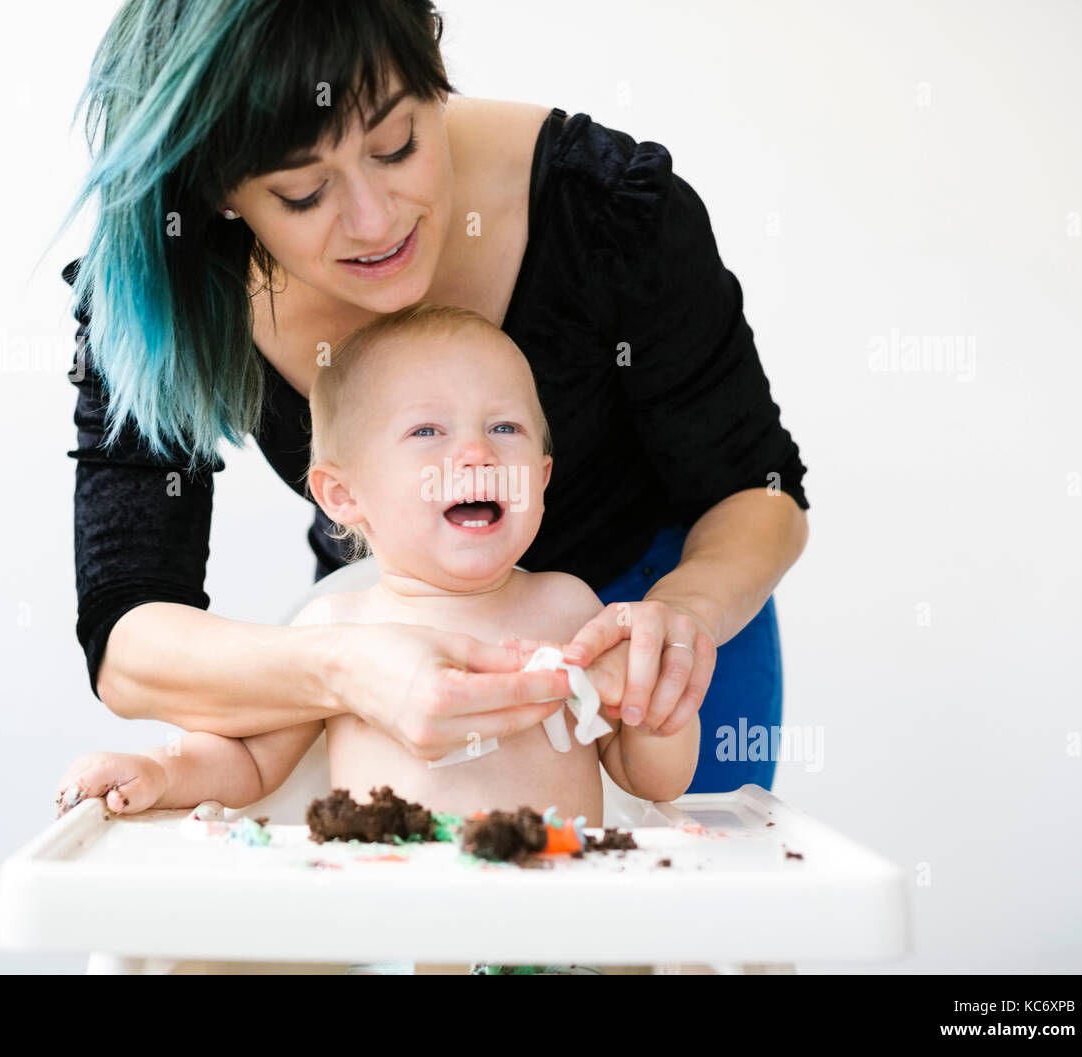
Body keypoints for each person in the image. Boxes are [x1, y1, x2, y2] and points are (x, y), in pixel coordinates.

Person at [55, 0, 809, 791]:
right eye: (304, 196)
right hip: (387, 638)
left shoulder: (609, 209)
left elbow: (758, 490)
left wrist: (680, 621)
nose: (375, 222)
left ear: (435, 70)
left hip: (663, 618)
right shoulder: (154, 299)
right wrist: (343, 667)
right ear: (220, 192)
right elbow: (128, 630)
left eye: (397, 145)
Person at [55, 301, 699, 824]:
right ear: (344, 495)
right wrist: (163, 772)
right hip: (399, 926)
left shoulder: (570, 610)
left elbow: (649, 780)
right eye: (427, 432)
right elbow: (249, 766)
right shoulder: (335, 628)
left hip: (557, 932)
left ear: (542, 475)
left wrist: (661, 711)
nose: (476, 454)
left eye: (505, 429)